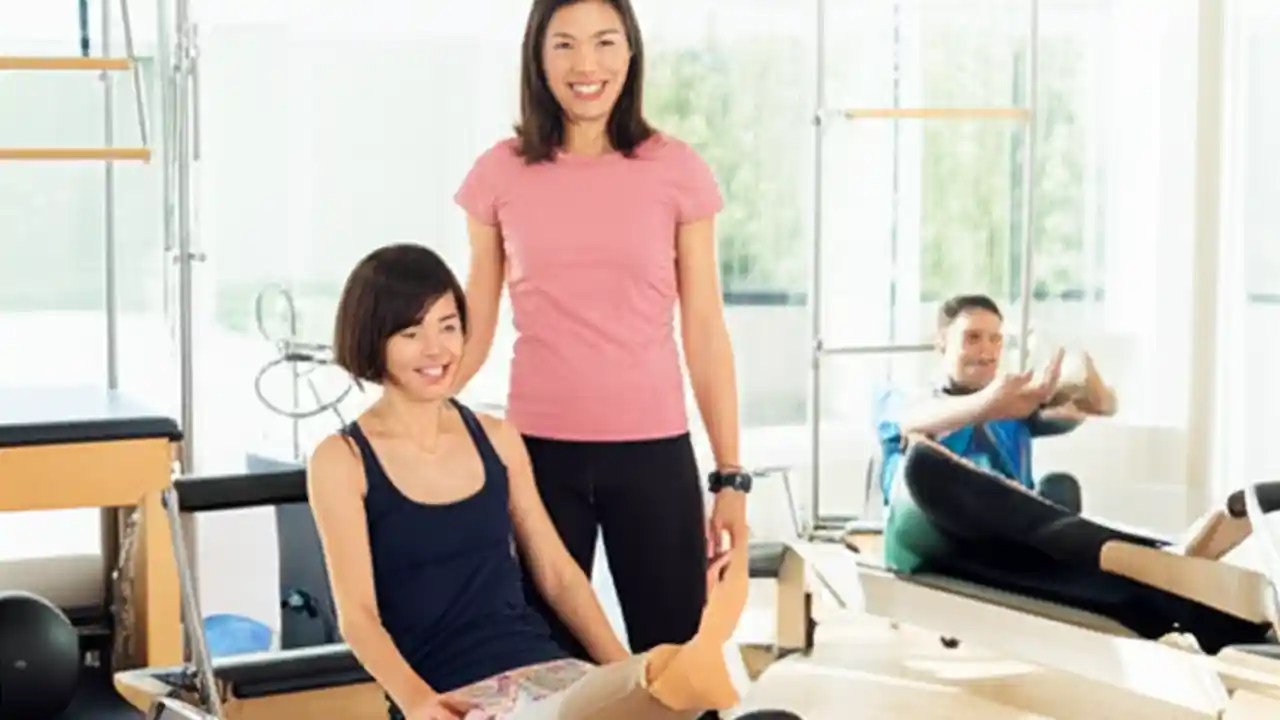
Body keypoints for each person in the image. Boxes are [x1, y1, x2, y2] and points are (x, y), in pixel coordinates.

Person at [307, 244, 752, 720]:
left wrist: (627, 674)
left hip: (543, 670)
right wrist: (417, 702)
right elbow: (357, 616)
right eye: (412, 333)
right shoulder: (342, 461)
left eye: (449, 326)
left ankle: (661, 678)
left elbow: (560, 578)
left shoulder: (497, 439)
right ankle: (675, 676)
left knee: (641, 702)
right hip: (454, 691)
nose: (437, 350)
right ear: (373, 340)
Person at [450, 0, 750, 663]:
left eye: (605, 42)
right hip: (537, 459)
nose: (587, 65)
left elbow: (703, 328)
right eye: (565, 45)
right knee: (544, 666)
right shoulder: (499, 172)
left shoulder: (676, 170)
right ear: (538, 56)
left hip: (654, 454)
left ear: (631, 52)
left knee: (675, 665)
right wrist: (402, 414)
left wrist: (731, 477)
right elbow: (476, 321)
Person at [873, 293, 1118, 510]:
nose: (986, 351)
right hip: (936, 526)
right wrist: (988, 404)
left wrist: (1076, 362)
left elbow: (1102, 405)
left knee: (1060, 488)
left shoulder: (1015, 405)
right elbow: (911, 420)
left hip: (1008, 534)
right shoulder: (902, 397)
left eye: (995, 339)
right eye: (973, 338)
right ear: (942, 342)